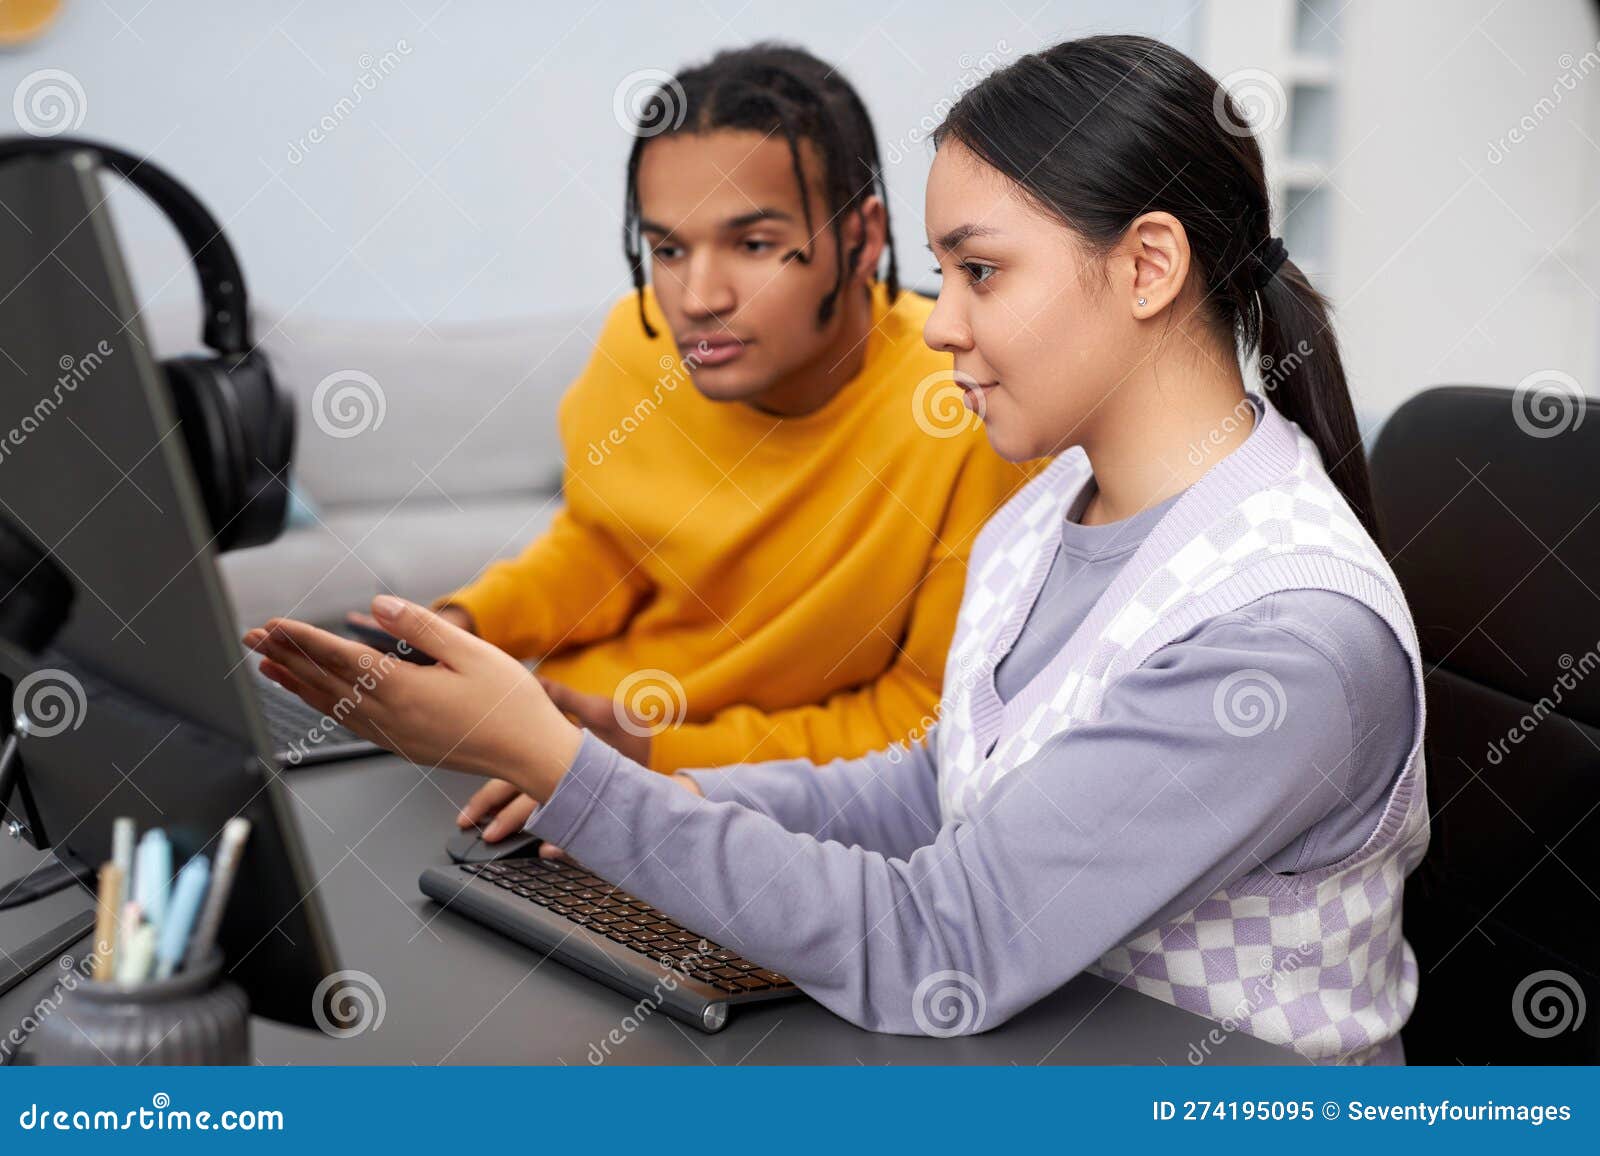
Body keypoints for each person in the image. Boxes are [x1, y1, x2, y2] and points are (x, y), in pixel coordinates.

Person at [247, 35, 1427, 1063]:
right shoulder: (1054, 503)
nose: (943, 322)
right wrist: (659, 797)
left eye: (979, 271)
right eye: (942, 274)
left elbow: (940, 942)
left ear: (1148, 265)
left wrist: (580, 777)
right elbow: (933, 785)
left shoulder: (1283, 639)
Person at [395, 44, 1029, 846]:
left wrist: (645, 754)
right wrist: (464, 629)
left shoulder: (969, 414)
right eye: (668, 249)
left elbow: (923, 729)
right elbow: (607, 548)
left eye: (754, 245)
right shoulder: (638, 343)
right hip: (548, 746)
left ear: (862, 237)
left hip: (735, 800)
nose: (699, 298)